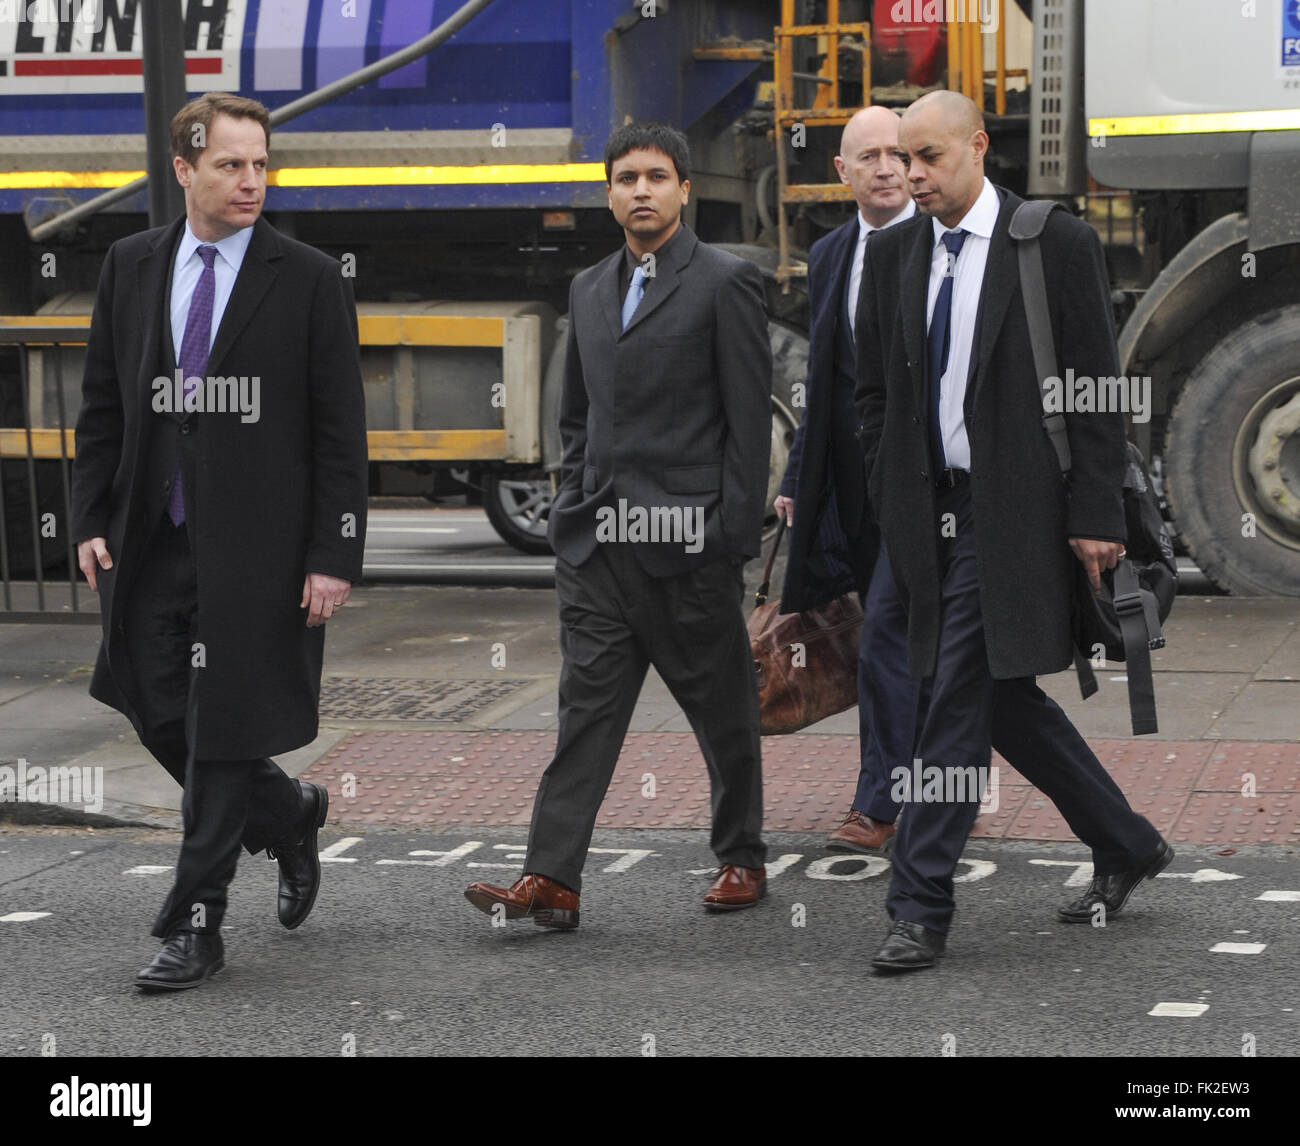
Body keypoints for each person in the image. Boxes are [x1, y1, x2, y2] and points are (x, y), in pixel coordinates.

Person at [855, 90, 1172, 972]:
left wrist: (1096, 514)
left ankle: (919, 902)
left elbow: (1096, 386)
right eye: (900, 160)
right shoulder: (894, 257)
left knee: (950, 698)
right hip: (930, 518)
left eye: (928, 157)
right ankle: (1127, 840)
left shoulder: (1051, 243)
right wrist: (890, 493)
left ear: (977, 148)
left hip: (1018, 516)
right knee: (994, 696)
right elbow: (876, 396)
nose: (911, 175)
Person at [71, 92, 369, 990]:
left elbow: (338, 431)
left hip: (260, 553)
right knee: (152, 703)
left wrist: (333, 555)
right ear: (184, 170)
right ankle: (288, 812)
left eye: (261, 164)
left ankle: (195, 924)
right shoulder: (131, 265)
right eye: (231, 165)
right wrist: (87, 517)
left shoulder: (309, 275)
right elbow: (102, 405)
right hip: (151, 540)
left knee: (224, 730)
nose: (251, 181)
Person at [464, 122, 772, 928]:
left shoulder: (724, 283)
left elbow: (749, 429)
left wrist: (728, 539)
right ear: (609, 192)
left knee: (724, 713)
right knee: (585, 717)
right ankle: (552, 878)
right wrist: (575, 504)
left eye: (657, 176)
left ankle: (741, 855)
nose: (641, 190)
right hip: (598, 549)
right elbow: (577, 416)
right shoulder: (588, 287)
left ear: (683, 189)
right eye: (626, 177)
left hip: (689, 550)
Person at [772, 106, 915, 856]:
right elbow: (819, 385)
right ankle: (939, 778)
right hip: (854, 490)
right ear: (843, 173)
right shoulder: (830, 255)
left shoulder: (941, 242)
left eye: (898, 153)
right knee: (880, 640)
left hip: (929, 489)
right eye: (870, 156)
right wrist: (799, 478)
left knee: (889, 632)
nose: (887, 167)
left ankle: (879, 803)